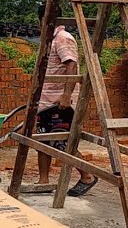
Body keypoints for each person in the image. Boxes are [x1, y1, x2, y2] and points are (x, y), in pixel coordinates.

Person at [34, 25, 97, 196]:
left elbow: (72, 65)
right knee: (42, 141)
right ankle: (43, 181)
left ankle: (87, 175)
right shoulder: (50, 40)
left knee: (61, 142)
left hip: (60, 103)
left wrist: (66, 94)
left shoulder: (63, 38)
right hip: (46, 102)